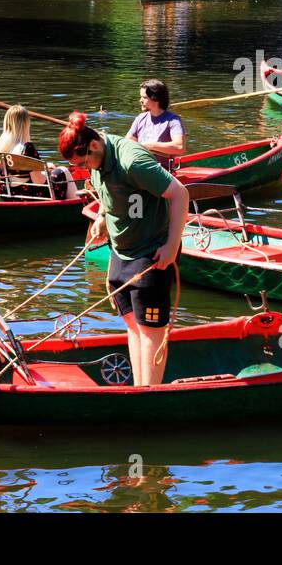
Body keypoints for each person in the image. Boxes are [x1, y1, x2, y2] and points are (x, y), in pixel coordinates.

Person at [60, 112, 189, 387]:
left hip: (151, 253)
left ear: (94, 145)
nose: (85, 169)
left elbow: (180, 193)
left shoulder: (133, 160)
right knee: (132, 324)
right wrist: (101, 218)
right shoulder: (96, 162)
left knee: (150, 330)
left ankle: (149, 395)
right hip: (120, 252)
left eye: (84, 162)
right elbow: (109, 195)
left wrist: (171, 245)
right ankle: (139, 389)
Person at [0, 104, 47, 197]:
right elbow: (38, 182)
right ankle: (75, 207)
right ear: (25, 124)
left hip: (5, 195)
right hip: (28, 195)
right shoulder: (27, 149)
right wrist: (47, 172)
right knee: (63, 171)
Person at [126, 79, 187, 159]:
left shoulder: (173, 120)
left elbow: (180, 147)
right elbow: (127, 143)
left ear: (156, 99)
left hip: (161, 168)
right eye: (141, 97)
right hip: (140, 165)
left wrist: (151, 146)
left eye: (144, 97)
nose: (140, 100)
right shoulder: (140, 118)